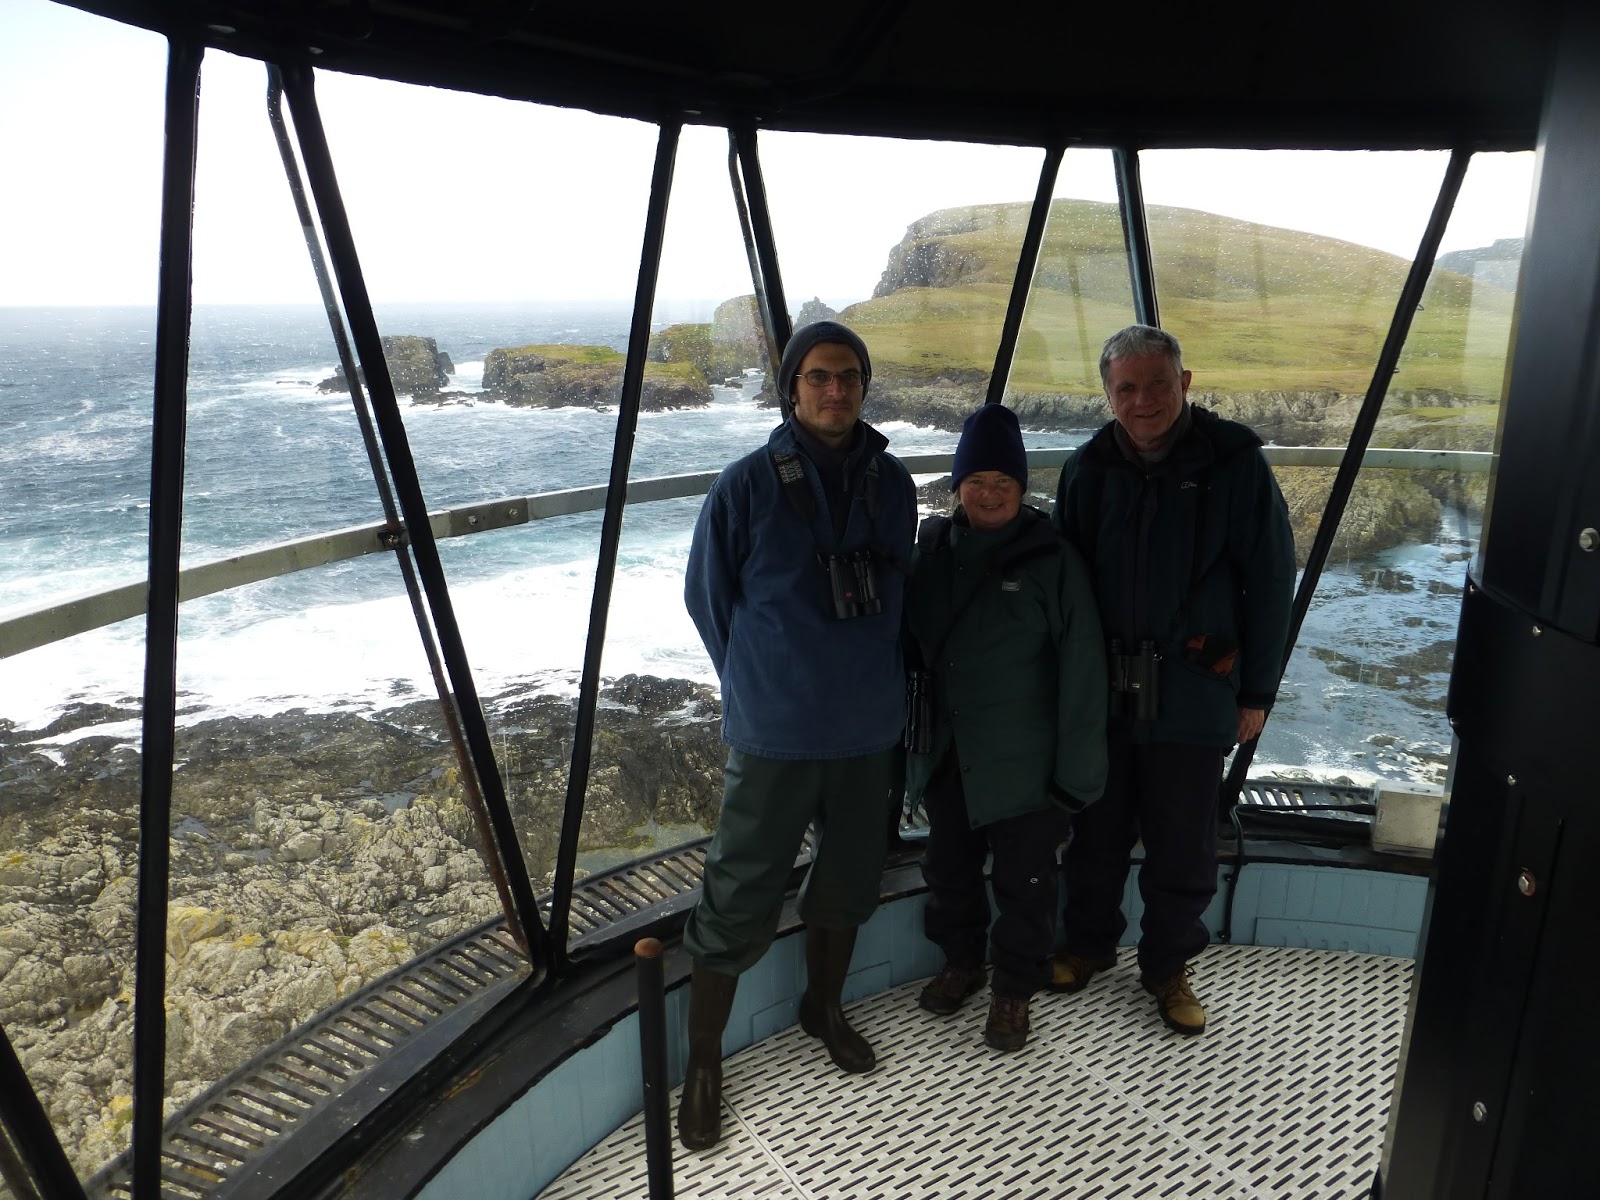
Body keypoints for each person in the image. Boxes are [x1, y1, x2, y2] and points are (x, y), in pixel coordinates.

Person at [678, 320, 916, 1149]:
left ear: (864, 385)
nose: (835, 390)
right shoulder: (744, 485)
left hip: (866, 729)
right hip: (776, 733)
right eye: (818, 377)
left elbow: (900, 595)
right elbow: (708, 602)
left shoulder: (890, 483)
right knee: (738, 891)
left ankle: (823, 1006)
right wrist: (760, 680)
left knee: (850, 877)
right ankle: (703, 1060)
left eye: (849, 376)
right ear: (791, 388)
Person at [1049, 324, 1294, 1035]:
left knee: (1183, 840)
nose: (1144, 400)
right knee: (1094, 827)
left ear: (1184, 382)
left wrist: (1257, 693)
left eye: (1158, 383)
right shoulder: (1088, 468)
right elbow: (1064, 588)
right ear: (1108, 395)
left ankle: (1168, 968)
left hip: (1194, 685)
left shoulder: (1235, 462)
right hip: (1104, 689)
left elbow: (1272, 581)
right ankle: (1087, 945)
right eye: (1127, 387)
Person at [904, 403, 1107, 1051]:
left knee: (1025, 884)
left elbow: (1083, 675)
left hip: (1026, 767)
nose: (989, 495)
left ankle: (1014, 993)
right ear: (956, 486)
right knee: (950, 870)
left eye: (1004, 483)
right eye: (976, 482)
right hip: (947, 755)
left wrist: (1075, 777)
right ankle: (961, 963)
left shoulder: (1054, 561)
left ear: (1023, 489)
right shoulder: (930, 552)